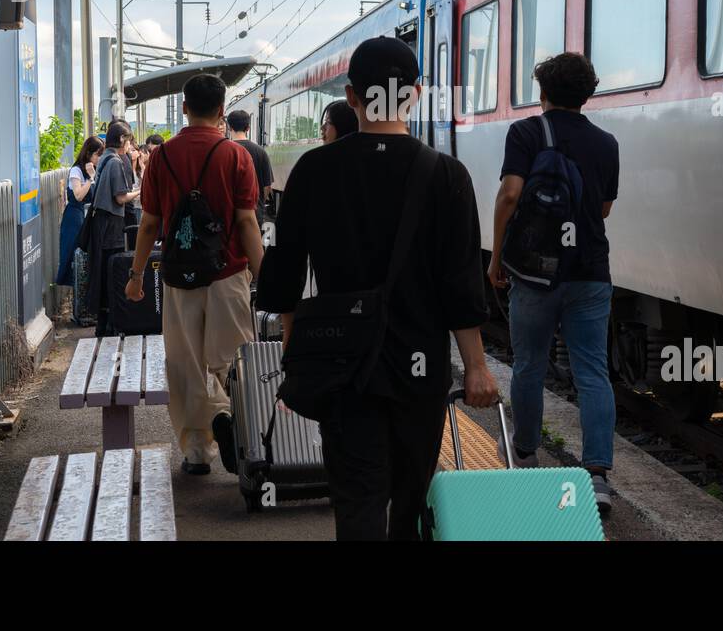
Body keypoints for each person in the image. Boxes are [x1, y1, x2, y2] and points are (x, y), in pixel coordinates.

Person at [258, 36, 498, 541]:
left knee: (357, 499)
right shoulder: (446, 175)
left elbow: (282, 270)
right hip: (420, 367)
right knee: (410, 502)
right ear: (415, 93)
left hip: (342, 364)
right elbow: (461, 281)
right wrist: (475, 366)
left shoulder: (313, 170)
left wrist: (292, 340)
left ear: (350, 96)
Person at [487, 52, 620, 514]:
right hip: (589, 272)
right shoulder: (607, 142)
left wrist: (498, 256)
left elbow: (509, 195)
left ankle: (525, 456)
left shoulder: (525, 132)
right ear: (588, 94)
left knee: (529, 365)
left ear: (542, 92)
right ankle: (598, 476)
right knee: (592, 372)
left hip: (534, 272)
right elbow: (602, 209)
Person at [126, 74, 265, 475]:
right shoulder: (236, 156)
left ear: (184, 108)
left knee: (186, 365)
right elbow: (247, 224)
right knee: (233, 362)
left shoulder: (162, 157)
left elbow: (150, 224)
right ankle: (241, 433)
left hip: (178, 276)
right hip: (228, 274)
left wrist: (136, 276)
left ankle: (196, 454)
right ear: (222, 111)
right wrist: (264, 276)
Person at [87, 121, 141, 335]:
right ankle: (111, 324)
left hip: (100, 223)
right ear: (121, 140)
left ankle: (103, 322)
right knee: (113, 271)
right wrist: (138, 192)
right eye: (128, 141)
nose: (129, 146)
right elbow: (120, 198)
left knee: (101, 271)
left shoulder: (104, 158)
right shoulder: (116, 161)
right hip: (111, 224)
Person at [56, 136, 103, 290]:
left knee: (83, 256)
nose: (99, 158)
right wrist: (90, 178)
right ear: (89, 153)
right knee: (72, 254)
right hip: (73, 217)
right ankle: (75, 295)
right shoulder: (77, 170)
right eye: (98, 154)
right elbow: (78, 195)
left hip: (84, 216)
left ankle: (82, 294)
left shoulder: (95, 170)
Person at [226, 109, 272, 222]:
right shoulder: (261, 152)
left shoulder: (223, 151)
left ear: (229, 127)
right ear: (248, 128)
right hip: (255, 213)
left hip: (228, 214)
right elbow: (267, 187)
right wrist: (260, 201)